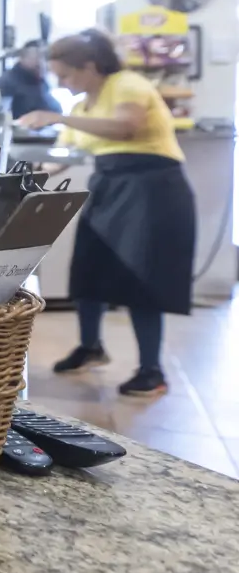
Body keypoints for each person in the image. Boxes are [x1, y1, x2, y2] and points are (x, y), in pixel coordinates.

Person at [21, 30, 193, 398]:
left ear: (90, 66)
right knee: (88, 268)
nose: (62, 84)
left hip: (152, 189)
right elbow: (59, 160)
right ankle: (90, 346)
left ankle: (152, 371)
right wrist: (25, 177)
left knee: (141, 278)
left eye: (66, 75)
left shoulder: (127, 84)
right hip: (109, 187)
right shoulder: (81, 108)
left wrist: (56, 118)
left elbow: (125, 127)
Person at [0, 40, 60, 120]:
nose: (42, 63)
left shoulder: (38, 79)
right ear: (22, 57)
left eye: (45, 58)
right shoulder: (8, 82)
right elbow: (3, 114)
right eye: (37, 57)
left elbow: (53, 107)